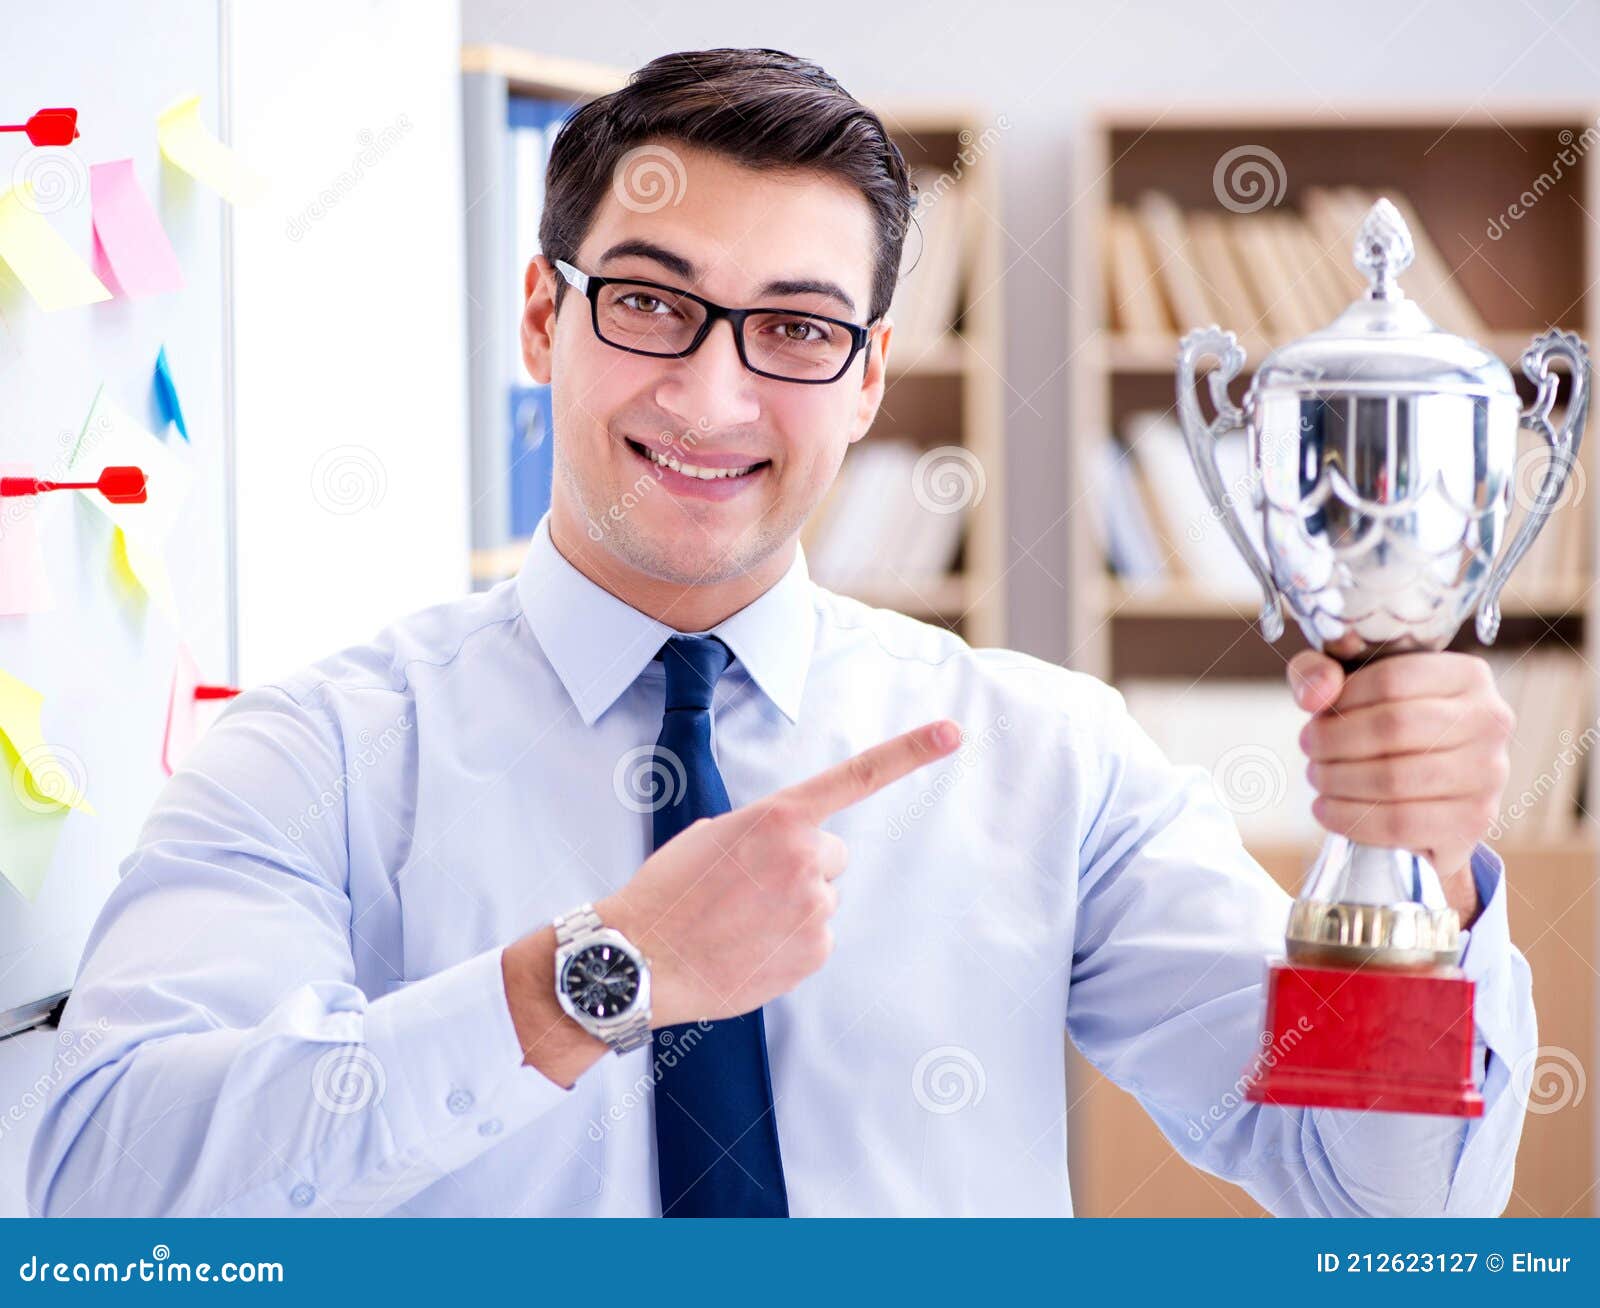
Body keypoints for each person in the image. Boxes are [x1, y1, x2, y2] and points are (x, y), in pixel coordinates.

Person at [29, 47, 1530, 1218]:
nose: (712, 397)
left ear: (872, 376)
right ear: (545, 320)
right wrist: (587, 978)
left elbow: (1378, 1194)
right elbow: (103, 1191)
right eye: (652, 305)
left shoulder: (1048, 759)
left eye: (798, 330)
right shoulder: (323, 753)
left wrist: (1419, 883)